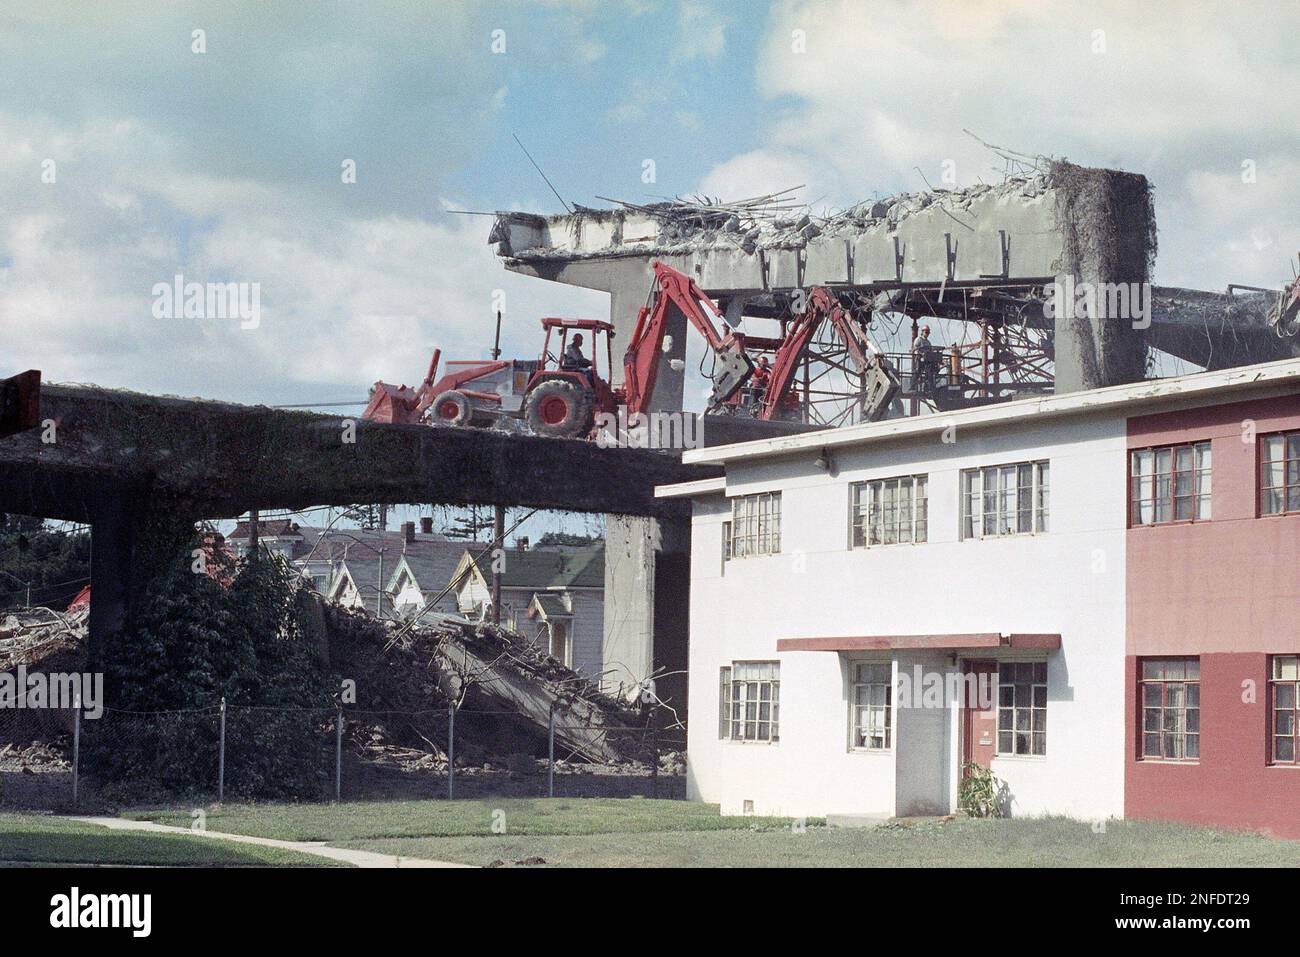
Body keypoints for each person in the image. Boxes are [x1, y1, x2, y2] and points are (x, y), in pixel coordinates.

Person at [910, 324, 934, 394]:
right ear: (922, 332)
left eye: (928, 332)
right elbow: (915, 349)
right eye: (926, 332)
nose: (927, 333)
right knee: (918, 371)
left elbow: (930, 351)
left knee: (928, 373)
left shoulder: (928, 342)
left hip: (927, 359)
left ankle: (927, 388)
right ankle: (912, 387)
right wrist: (921, 354)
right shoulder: (918, 339)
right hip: (919, 358)